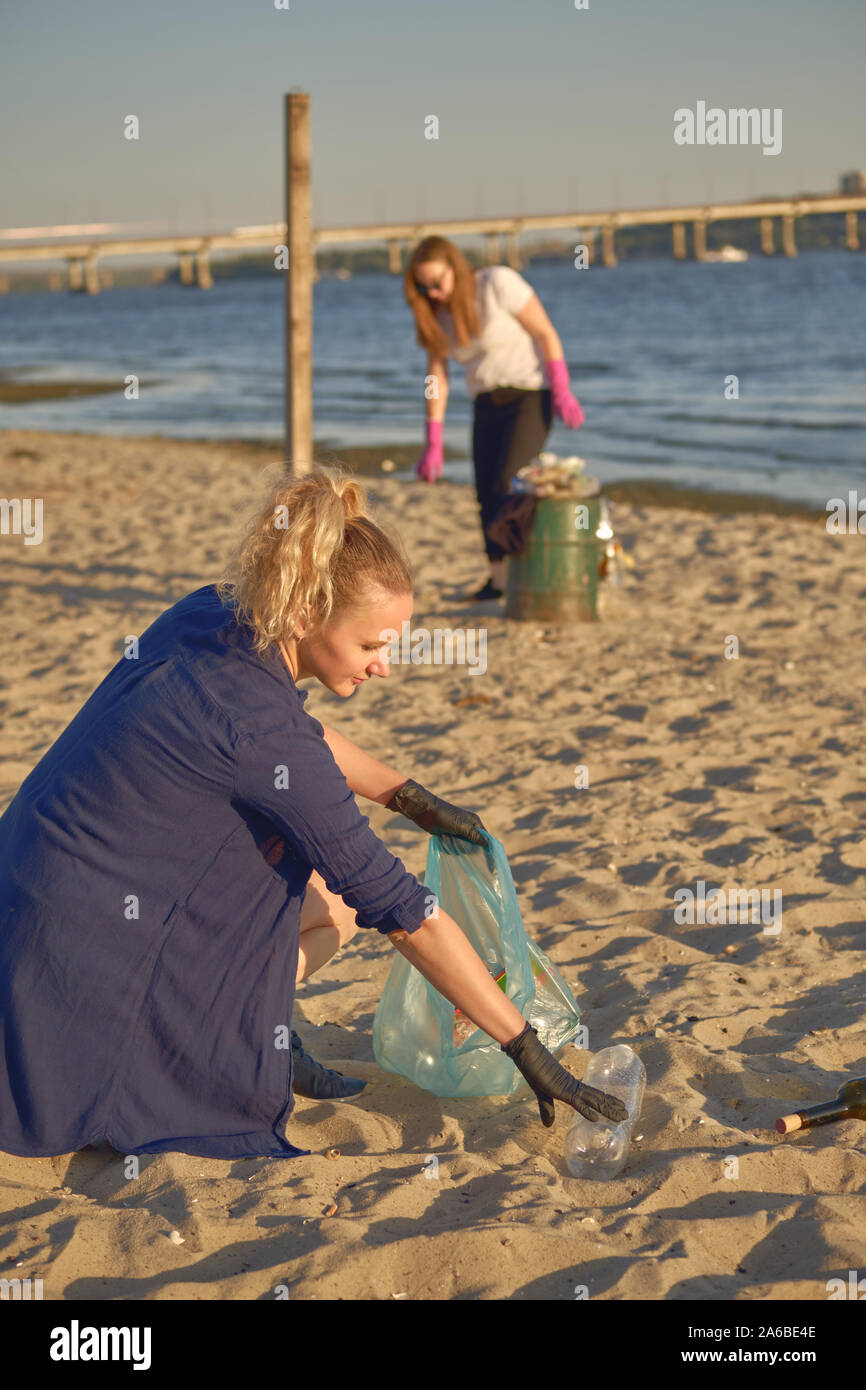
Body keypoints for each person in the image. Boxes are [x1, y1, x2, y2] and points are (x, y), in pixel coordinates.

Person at [0, 468, 626, 1162]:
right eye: (372, 645)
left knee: (317, 889)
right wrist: (526, 1048)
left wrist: (405, 795)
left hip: (29, 891)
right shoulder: (267, 737)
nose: (385, 667)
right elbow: (403, 912)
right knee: (348, 899)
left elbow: (281, 728)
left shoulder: (212, 613)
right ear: (305, 616)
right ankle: (243, 1033)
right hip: (74, 967)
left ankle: (264, 1027)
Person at [404, 234, 586, 601]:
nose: (433, 293)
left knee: (508, 484)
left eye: (437, 283)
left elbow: (545, 333)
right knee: (485, 494)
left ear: (455, 268)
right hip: (485, 403)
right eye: (424, 288)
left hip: (529, 395)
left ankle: (531, 566)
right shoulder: (438, 316)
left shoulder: (497, 283)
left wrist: (562, 389)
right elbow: (435, 377)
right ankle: (499, 581)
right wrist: (433, 440)